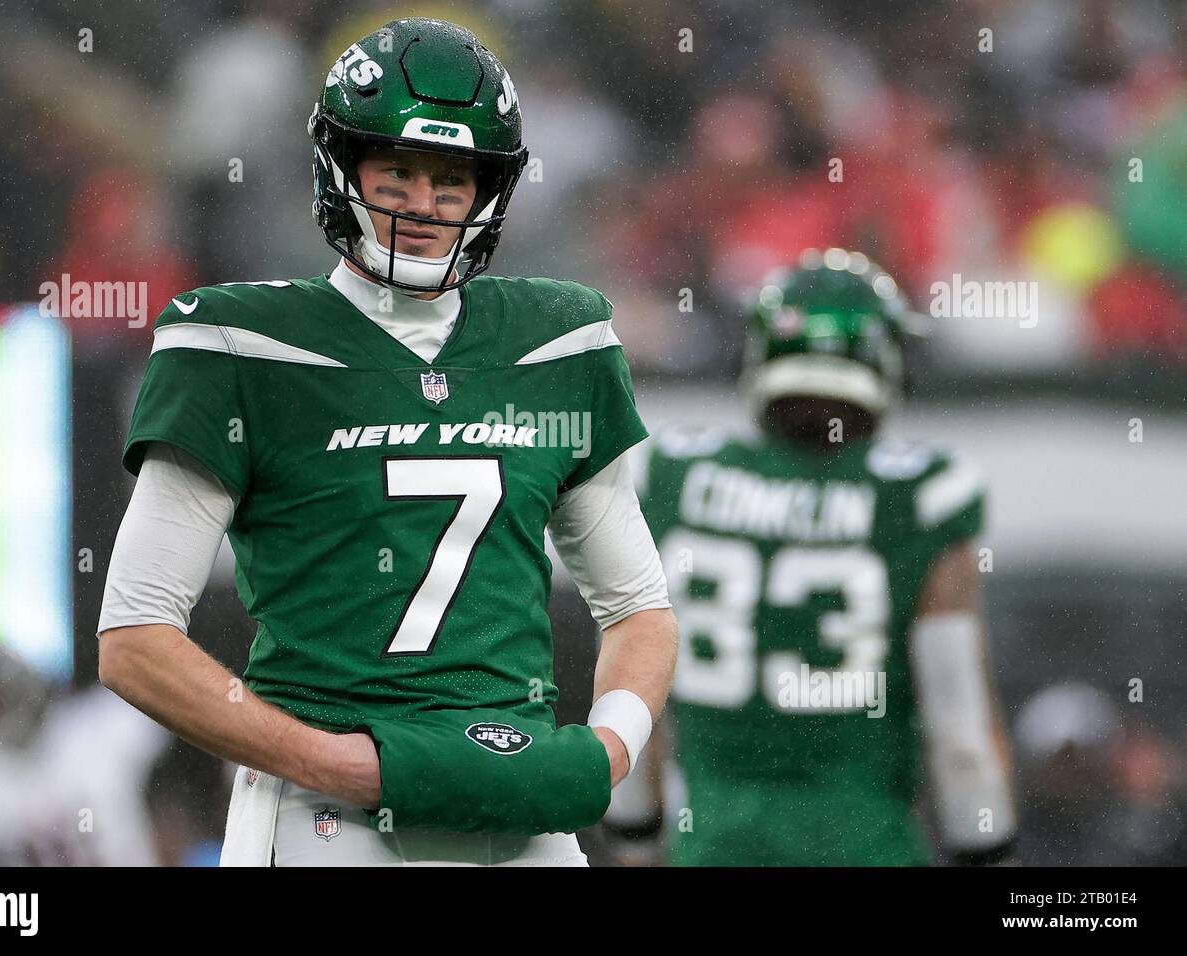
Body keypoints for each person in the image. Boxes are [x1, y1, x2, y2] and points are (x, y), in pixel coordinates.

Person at [96, 17, 677, 867]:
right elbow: (135, 640)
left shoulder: (556, 341)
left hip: (516, 810)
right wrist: (332, 762)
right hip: (324, 818)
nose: (422, 205)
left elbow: (637, 608)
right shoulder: (241, 344)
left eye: (451, 180)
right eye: (396, 171)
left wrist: (607, 752)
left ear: (491, 191)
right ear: (343, 166)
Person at [618, 248, 1016, 865]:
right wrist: (989, 853)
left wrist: (636, 838)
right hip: (866, 846)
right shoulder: (922, 493)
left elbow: (628, 691)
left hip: (715, 845)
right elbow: (960, 735)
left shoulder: (667, 476)